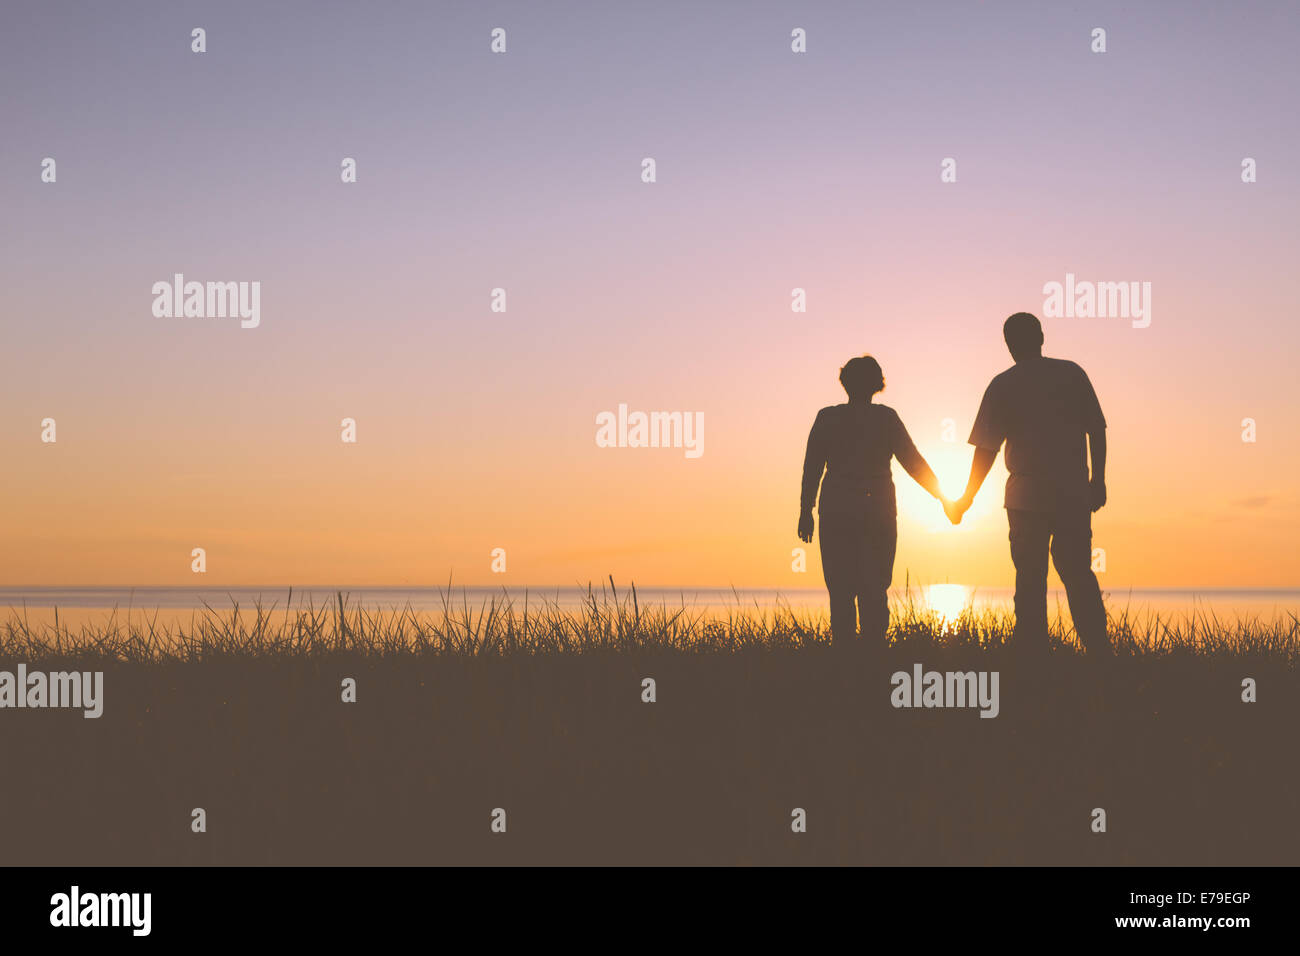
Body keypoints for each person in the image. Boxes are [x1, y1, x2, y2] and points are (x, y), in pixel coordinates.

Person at [947, 312, 1110, 653]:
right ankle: (1099, 652)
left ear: (1009, 345)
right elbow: (1096, 428)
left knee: (1031, 579)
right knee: (1078, 573)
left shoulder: (1003, 384)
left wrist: (967, 498)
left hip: (1026, 499)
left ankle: (1035, 657)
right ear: (1041, 336)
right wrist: (1098, 479)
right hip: (1071, 493)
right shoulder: (1072, 373)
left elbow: (986, 450)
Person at [799, 355, 950, 643]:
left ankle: (846, 658)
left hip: (837, 512)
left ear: (845, 383)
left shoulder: (828, 418)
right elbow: (913, 463)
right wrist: (944, 498)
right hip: (876, 512)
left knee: (841, 589)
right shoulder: (885, 418)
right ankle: (873, 655)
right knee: (874, 587)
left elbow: (812, 468)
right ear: (877, 384)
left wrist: (806, 510)